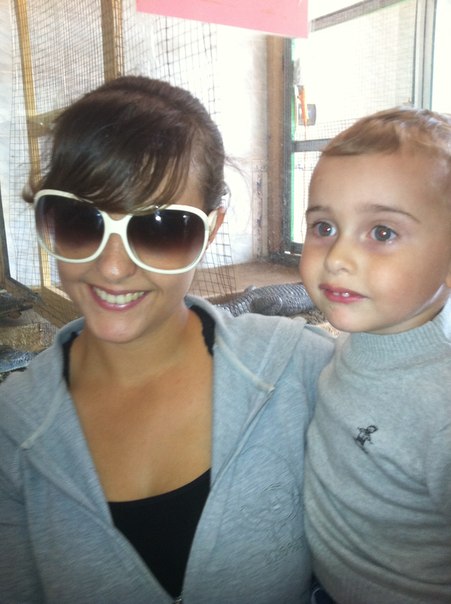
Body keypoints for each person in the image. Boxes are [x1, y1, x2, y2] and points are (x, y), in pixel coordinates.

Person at [0, 75, 334, 604]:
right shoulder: (11, 430)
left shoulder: (301, 370)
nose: (113, 268)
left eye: (159, 227)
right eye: (83, 221)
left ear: (211, 229)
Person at [299, 106, 451, 604]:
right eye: (324, 227)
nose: (337, 257)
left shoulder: (441, 406)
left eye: (382, 232)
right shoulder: (365, 333)